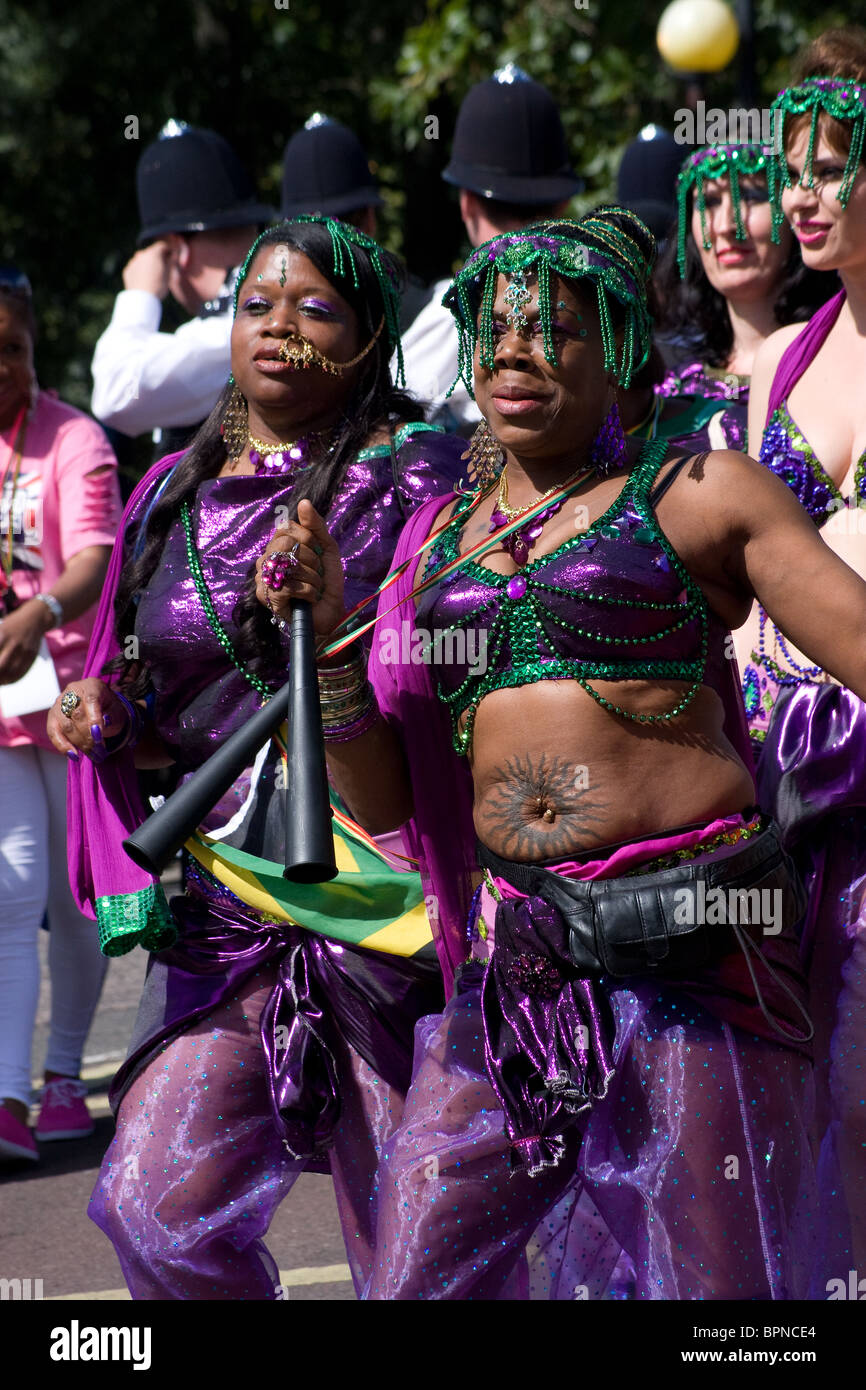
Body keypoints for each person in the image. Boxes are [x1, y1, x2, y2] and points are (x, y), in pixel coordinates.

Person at [283, 207, 866, 1300]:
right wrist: (322, 656)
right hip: (522, 969)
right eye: (493, 332)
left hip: (696, 951)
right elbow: (384, 797)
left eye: (551, 330)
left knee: (719, 1297)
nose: (514, 353)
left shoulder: (697, 494)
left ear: (620, 351)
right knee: (413, 1273)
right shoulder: (437, 550)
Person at [49, 216, 464, 1298]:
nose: (279, 328)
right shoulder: (166, 494)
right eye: (255, 306)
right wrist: (114, 707)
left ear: (369, 338)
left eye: (315, 306)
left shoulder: (419, 485)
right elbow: (170, 701)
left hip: (396, 919)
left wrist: (337, 622)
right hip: (231, 913)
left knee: (415, 1263)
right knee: (154, 1208)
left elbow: (454, 683)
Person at [734, 27, 866, 1281]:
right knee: (783, 1111)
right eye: (792, 170)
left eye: (834, 165)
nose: (803, 196)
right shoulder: (780, 359)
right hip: (778, 791)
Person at [0, 267, 122, 1163]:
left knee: (77, 905)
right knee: (11, 891)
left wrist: (35, 614)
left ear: (35, 348)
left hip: (74, 697)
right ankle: (6, 1096)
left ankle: (61, 1076)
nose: (2, 367)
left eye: (13, 349)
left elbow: (91, 559)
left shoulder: (73, 437)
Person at [400, 64, 582, 431]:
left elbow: (388, 421)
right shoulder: (600, 314)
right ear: (563, 205)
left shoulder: (445, 314)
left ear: (466, 203)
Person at [90, 120, 273, 455]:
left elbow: (114, 395)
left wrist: (138, 298)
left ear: (175, 250)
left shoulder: (239, 325)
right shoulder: (256, 311)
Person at [652, 142, 833, 452]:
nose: (726, 226)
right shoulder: (668, 382)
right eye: (708, 202)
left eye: (750, 196)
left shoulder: (839, 363)